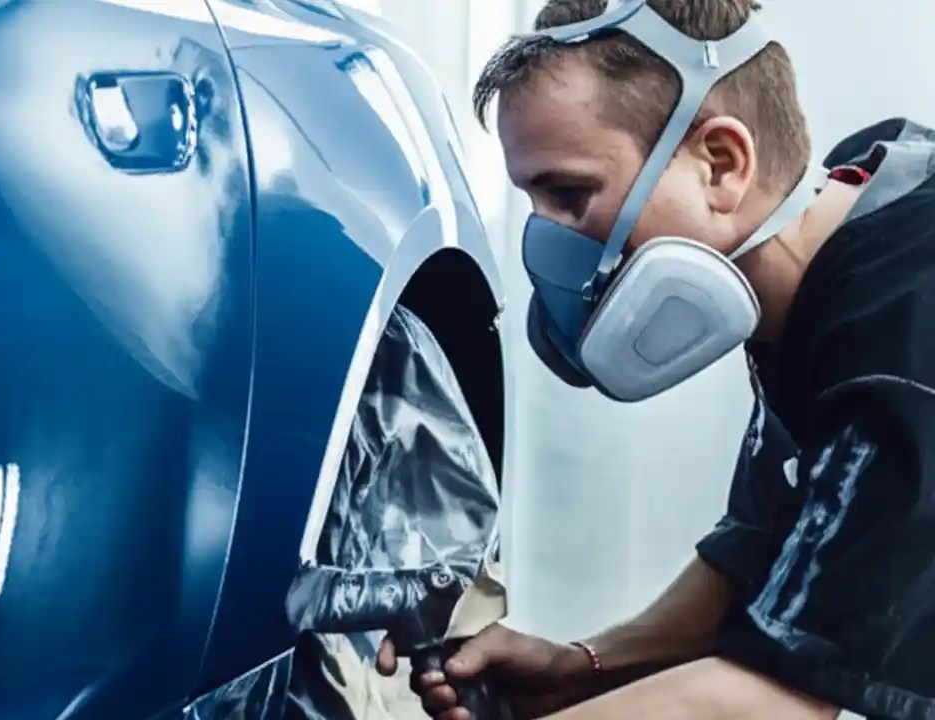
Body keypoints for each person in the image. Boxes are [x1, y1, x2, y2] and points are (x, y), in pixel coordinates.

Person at [376, 1, 935, 719]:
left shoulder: (905, 330)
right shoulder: (841, 250)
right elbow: (763, 558)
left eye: (570, 194)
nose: (550, 245)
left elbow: (782, 697)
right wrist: (580, 666)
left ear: (722, 164)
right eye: (533, 203)